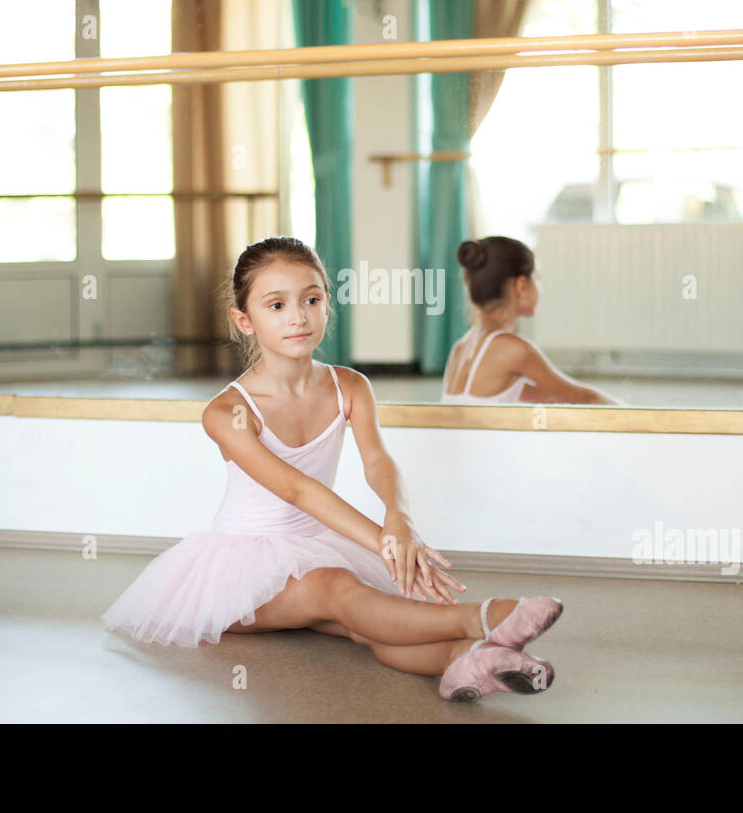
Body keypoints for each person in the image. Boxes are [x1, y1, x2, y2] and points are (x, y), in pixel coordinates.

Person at [102, 236, 563, 701]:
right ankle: (487, 615)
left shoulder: (350, 386)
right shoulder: (226, 412)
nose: (298, 316)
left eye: (311, 299)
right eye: (276, 305)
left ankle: (470, 660)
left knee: (363, 625)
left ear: (327, 302)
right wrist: (386, 545)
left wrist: (398, 518)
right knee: (337, 590)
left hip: (314, 548)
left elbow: (379, 461)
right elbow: (299, 491)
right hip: (240, 571)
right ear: (244, 320)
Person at [442, 236, 626, 406]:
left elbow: (551, 396)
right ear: (521, 285)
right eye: (537, 277)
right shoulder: (514, 349)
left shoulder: (459, 348)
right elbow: (583, 397)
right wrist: (633, 414)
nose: (539, 285)